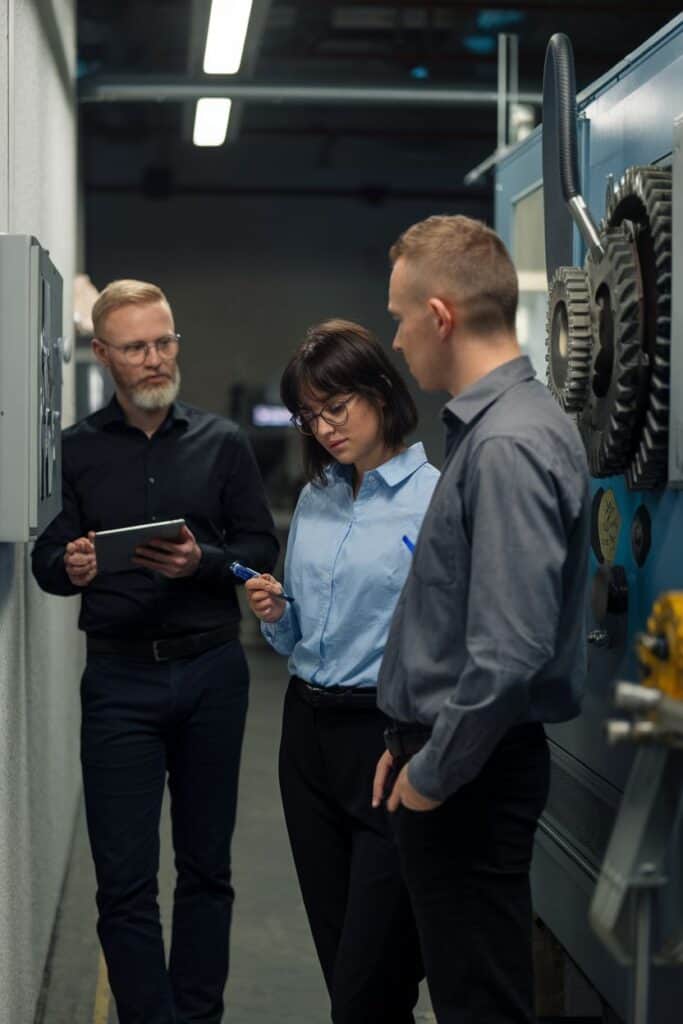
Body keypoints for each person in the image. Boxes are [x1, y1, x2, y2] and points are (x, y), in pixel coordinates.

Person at [32, 279, 278, 1024]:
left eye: (163, 341)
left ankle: (197, 1016)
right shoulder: (74, 452)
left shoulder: (222, 444)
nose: (153, 358)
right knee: (125, 881)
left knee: (207, 869)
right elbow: (47, 560)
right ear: (102, 354)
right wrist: (69, 568)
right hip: (118, 681)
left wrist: (202, 562)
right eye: (135, 347)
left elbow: (258, 547)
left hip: (210, 671)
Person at [372, 215, 590, 1024]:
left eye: (398, 316)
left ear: (439, 317)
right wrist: (412, 744)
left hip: (471, 775)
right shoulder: (504, 429)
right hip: (453, 759)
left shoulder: (505, 446)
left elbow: (507, 652)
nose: (395, 339)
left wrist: (433, 771)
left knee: (479, 1002)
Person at [244, 319, 438, 1024]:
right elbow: (299, 632)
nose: (323, 428)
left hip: (386, 742)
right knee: (342, 965)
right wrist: (274, 611)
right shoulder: (319, 499)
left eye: (336, 407)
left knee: (371, 975)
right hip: (306, 740)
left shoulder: (435, 501)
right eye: (309, 415)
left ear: (380, 392)